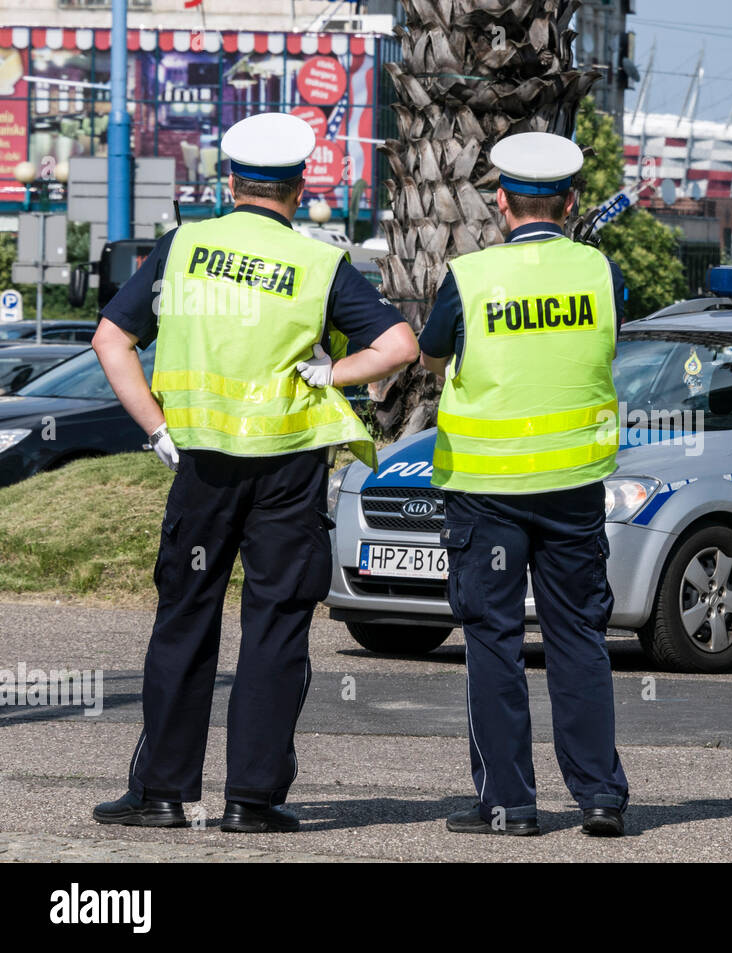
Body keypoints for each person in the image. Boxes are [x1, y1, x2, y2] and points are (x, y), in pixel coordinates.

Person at [91, 112, 418, 833]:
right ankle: (253, 798)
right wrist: (338, 371)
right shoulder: (319, 263)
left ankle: (163, 792)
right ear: (299, 189)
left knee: (184, 620)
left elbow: (110, 339)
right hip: (288, 468)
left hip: (202, 462)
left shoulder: (184, 247)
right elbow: (398, 344)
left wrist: (157, 428)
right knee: (275, 625)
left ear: (229, 183)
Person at [419, 131, 630, 837]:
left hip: (487, 489)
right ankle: (600, 796)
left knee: (493, 637)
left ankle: (508, 803)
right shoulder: (601, 273)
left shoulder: (472, 277)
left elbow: (430, 350)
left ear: (500, 200)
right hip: (572, 488)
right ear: (571, 203)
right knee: (578, 635)